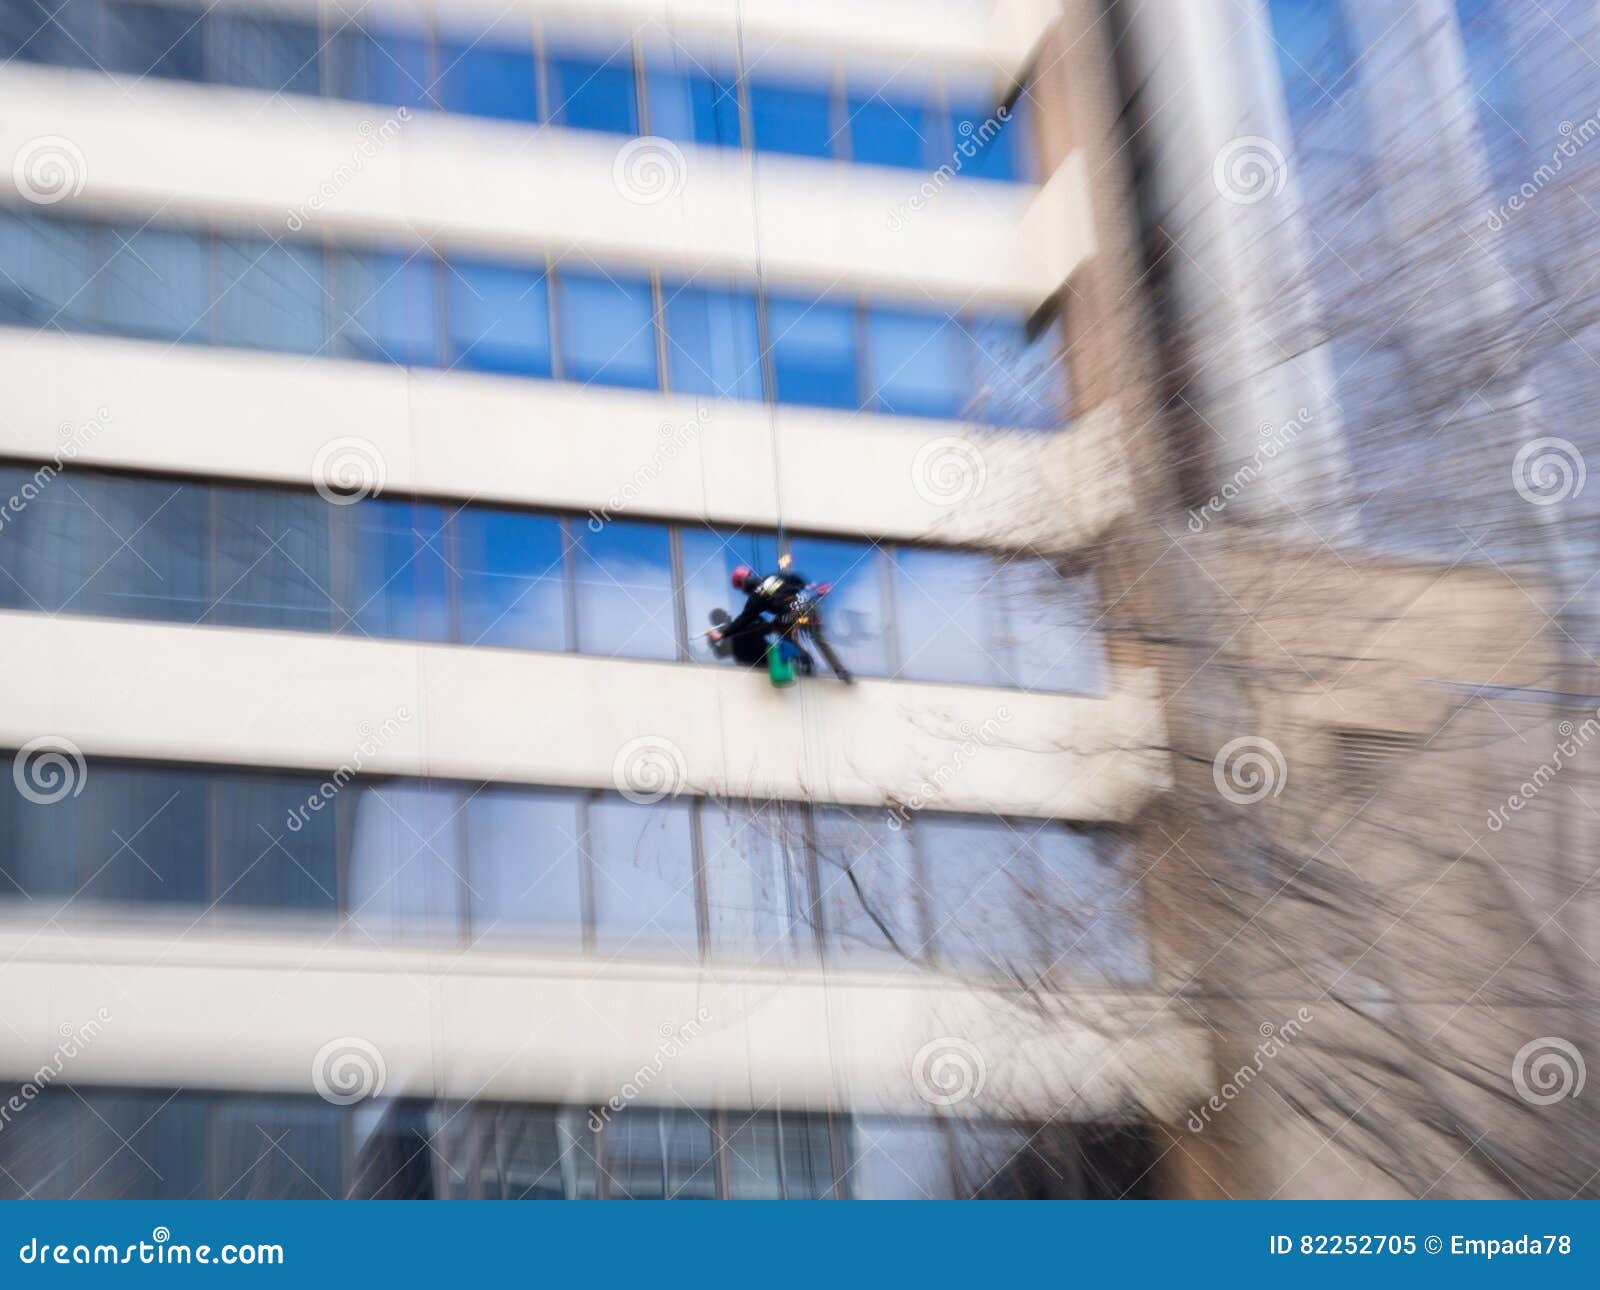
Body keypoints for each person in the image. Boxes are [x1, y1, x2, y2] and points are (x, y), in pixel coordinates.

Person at [708, 560, 851, 682]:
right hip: (806, 606)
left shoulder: (756, 597)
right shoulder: (773, 576)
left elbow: (744, 618)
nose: (743, 591)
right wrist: (809, 587)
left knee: (779, 629)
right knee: (819, 639)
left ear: (743, 584)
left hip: (791, 615)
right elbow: (795, 578)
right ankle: (841, 671)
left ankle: (804, 660)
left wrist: (723, 634)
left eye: (741, 588)